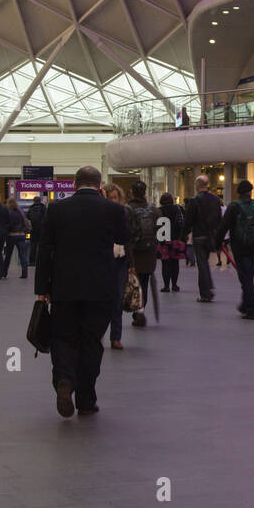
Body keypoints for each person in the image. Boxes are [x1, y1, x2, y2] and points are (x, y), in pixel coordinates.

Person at [35, 166, 127, 418]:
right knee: (91, 341)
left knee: (63, 337)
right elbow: (124, 237)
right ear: (99, 185)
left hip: (64, 286)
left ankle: (65, 379)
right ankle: (86, 399)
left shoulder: (57, 209)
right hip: (100, 287)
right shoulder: (114, 210)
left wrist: (42, 290)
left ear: (74, 184)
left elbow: (44, 251)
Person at [216, 179, 254, 320]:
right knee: (249, 276)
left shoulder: (234, 207)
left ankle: (252, 310)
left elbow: (224, 226)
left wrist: (217, 242)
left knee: (245, 278)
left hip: (240, 247)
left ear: (239, 193)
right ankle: (245, 305)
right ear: (250, 191)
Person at [124, 181, 159, 327]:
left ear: (131, 192)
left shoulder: (127, 210)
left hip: (133, 252)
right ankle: (140, 311)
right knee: (143, 283)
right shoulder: (154, 210)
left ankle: (135, 309)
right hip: (149, 252)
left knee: (132, 282)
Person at [183, 175, 222, 303]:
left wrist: (184, 234)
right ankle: (208, 287)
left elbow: (188, 220)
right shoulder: (216, 199)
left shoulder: (194, 201)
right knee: (204, 262)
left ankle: (206, 293)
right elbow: (218, 218)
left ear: (198, 185)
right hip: (211, 235)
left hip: (199, 235)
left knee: (202, 264)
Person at [105, 184, 130, 348]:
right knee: (102, 298)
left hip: (121, 260)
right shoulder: (100, 213)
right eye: (110, 197)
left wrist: (132, 264)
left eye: (115, 197)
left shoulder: (124, 213)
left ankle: (116, 337)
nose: (113, 200)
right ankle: (98, 333)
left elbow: (129, 238)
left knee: (118, 298)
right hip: (104, 259)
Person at [157, 192, 185, 293]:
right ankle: (174, 285)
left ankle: (166, 286)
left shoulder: (159, 210)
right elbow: (183, 223)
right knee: (175, 263)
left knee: (165, 263)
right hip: (176, 239)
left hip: (163, 239)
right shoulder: (178, 209)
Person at [26, 195, 47, 266]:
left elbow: (28, 217)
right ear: (40, 201)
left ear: (34, 201)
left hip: (33, 229)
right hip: (42, 229)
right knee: (42, 245)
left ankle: (32, 261)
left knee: (33, 245)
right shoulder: (44, 208)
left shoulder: (31, 208)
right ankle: (41, 261)